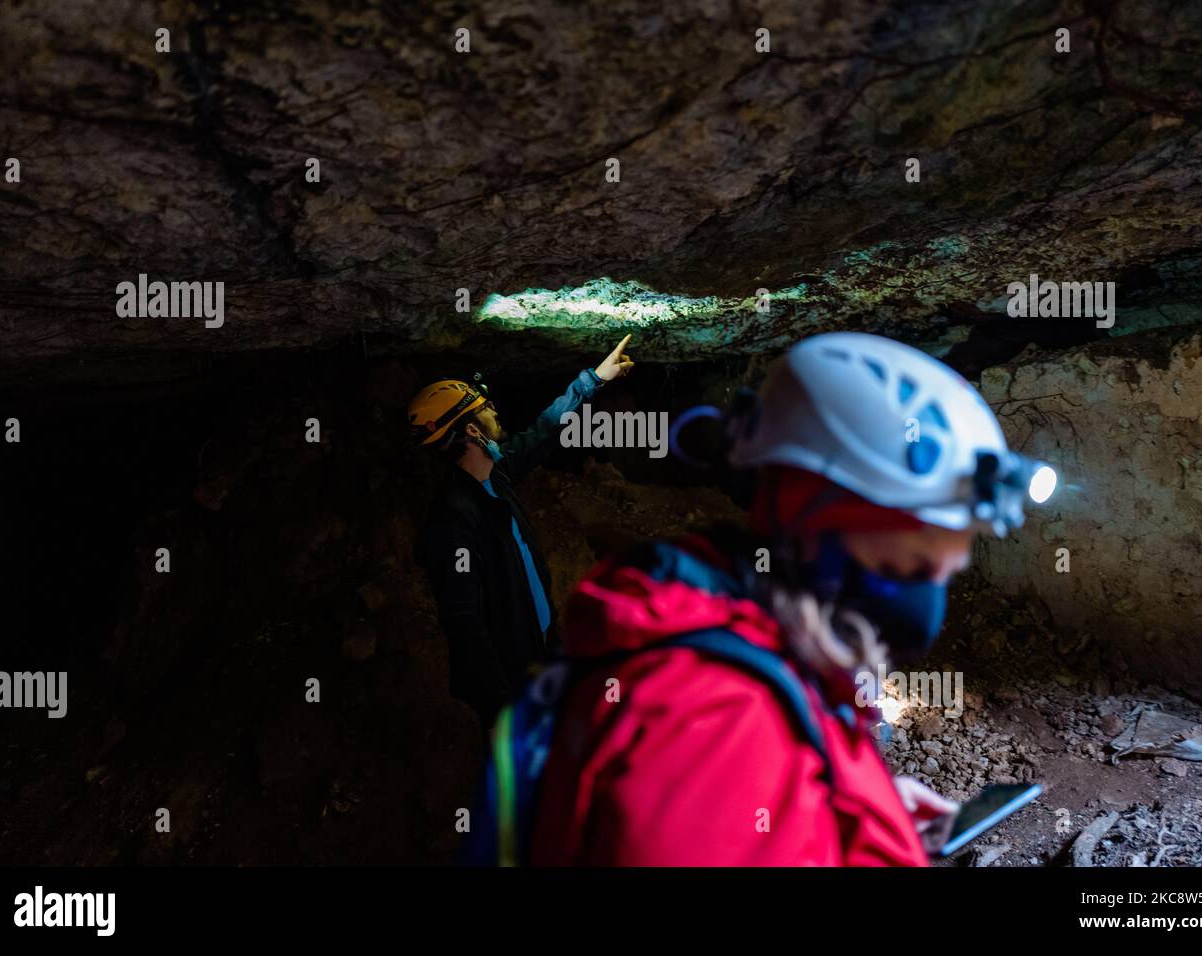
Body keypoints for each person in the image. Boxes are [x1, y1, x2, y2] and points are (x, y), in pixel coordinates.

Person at [527, 332, 1055, 865]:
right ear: (829, 520)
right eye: (925, 549)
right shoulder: (711, 714)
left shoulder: (762, 639)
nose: (951, 567)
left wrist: (861, 814)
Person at [408, 336, 635, 734]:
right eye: (484, 410)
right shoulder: (454, 520)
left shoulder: (497, 477)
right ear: (473, 434)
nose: (494, 411)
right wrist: (501, 710)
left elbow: (545, 430)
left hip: (543, 646)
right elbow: (464, 624)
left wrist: (594, 379)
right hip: (517, 678)